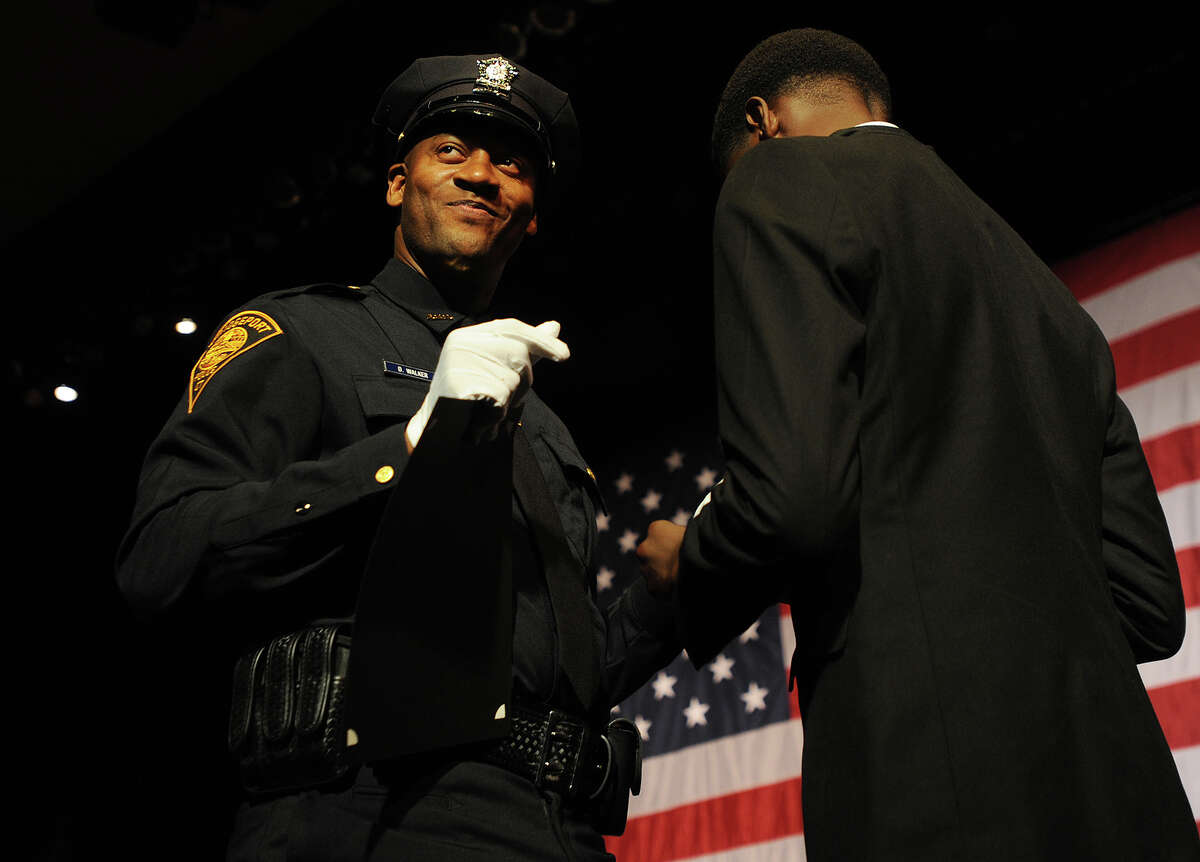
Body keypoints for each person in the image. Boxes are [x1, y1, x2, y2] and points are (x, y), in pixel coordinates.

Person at [636, 28, 1199, 861]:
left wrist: (698, 561)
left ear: (764, 123)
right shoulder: (1052, 304)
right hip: (1127, 799)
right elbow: (1152, 609)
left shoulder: (780, 179)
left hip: (935, 785)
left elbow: (796, 498)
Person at [117, 54, 679, 861]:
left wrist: (663, 603)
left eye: (512, 166)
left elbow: (543, 676)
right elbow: (160, 556)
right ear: (396, 182)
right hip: (369, 815)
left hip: (560, 831)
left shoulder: (547, 424)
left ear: (529, 216)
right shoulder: (299, 335)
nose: (482, 175)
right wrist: (415, 442)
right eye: (451, 151)